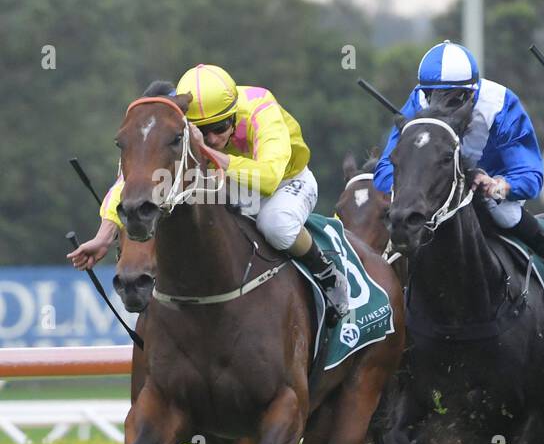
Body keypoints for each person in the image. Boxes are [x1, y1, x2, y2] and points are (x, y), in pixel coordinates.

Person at [67, 64, 351, 319]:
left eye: (220, 127)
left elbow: (268, 178)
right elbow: (136, 183)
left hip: (284, 183)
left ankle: (327, 274)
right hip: (227, 181)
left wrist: (204, 151)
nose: (213, 139)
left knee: (275, 225)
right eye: (202, 129)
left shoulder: (262, 110)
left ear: (234, 116)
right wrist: (104, 237)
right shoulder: (177, 124)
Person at [372, 40, 544, 299]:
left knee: (504, 213)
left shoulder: (500, 105)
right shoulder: (417, 103)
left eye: (453, 99)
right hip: (437, 198)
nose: (439, 106)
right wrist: (412, 187)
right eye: (432, 96)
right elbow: (385, 169)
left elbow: (531, 176)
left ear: (472, 94)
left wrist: (500, 185)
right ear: (424, 91)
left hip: (487, 195)